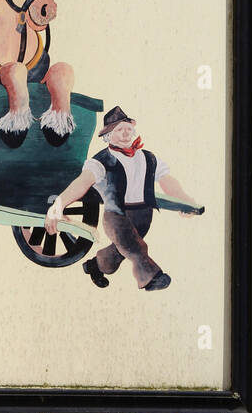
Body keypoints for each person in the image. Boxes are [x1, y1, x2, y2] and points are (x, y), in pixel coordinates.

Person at [44, 105, 199, 292]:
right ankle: (152, 278)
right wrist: (57, 206)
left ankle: (95, 266)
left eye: (128, 129)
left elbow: (167, 181)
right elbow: (82, 183)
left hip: (143, 216)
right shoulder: (100, 161)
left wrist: (184, 200)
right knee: (136, 249)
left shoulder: (148, 158)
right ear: (108, 135)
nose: (125, 133)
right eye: (119, 129)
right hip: (117, 217)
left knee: (119, 252)